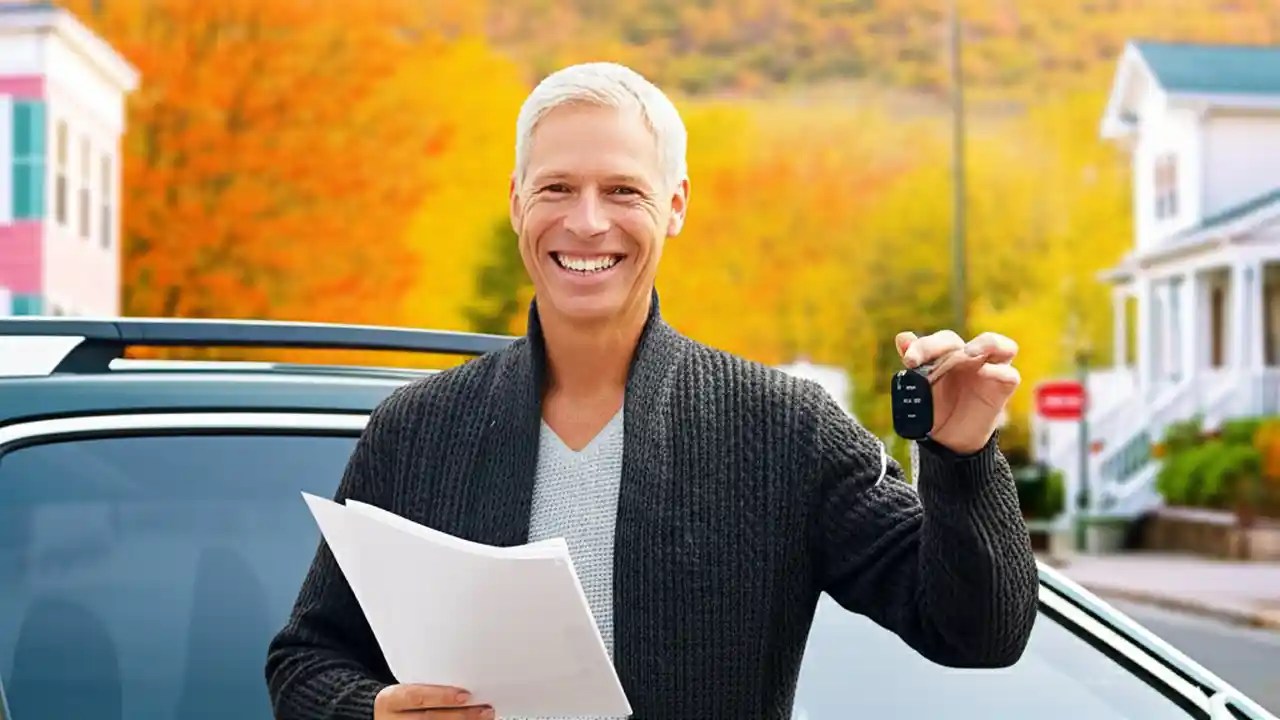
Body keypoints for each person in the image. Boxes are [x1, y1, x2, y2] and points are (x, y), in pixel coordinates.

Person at [265, 61, 1039, 720]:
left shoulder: (785, 432)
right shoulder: (419, 429)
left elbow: (979, 634)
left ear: (675, 206)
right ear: (516, 203)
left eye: (624, 191)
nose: (588, 221)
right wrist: (368, 710)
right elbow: (305, 661)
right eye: (557, 188)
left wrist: (961, 454)